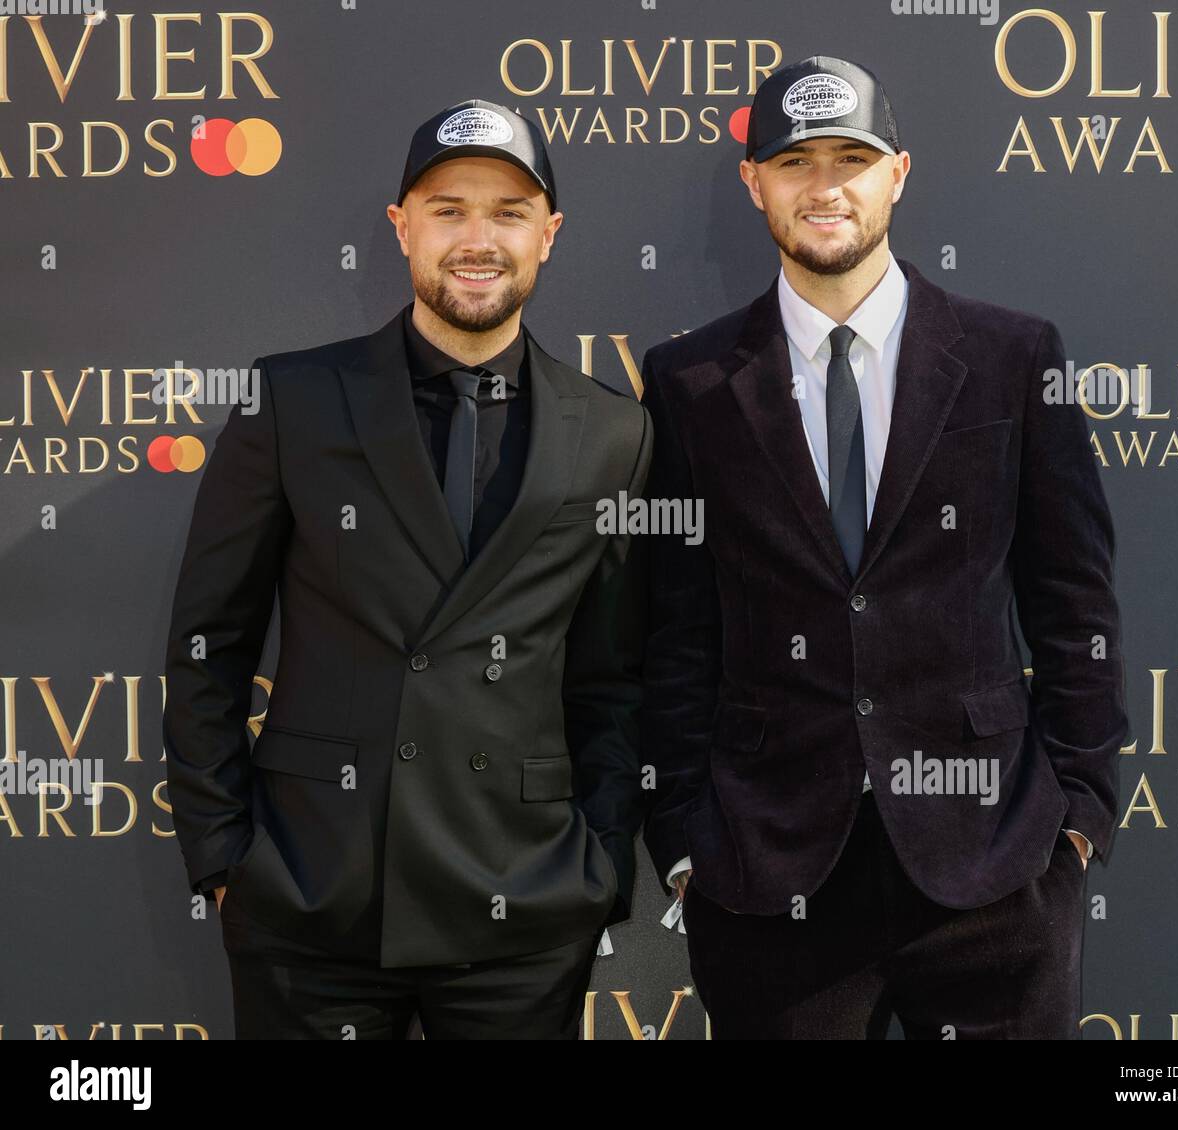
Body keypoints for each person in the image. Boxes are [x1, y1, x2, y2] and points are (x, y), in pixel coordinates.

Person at [639, 57, 1127, 1039]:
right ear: (754, 183)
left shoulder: (1010, 355)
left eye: (851, 158)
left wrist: (1076, 818)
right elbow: (671, 628)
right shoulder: (689, 380)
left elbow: (1074, 603)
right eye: (794, 160)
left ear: (897, 173)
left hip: (993, 864)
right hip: (771, 879)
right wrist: (687, 842)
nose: (825, 185)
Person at [163, 99, 651, 1039]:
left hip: (524, 910)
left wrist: (601, 862)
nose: (479, 238)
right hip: (314, 900)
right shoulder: (294, 401)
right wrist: (226, 859)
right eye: (448, 208)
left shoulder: (615, 434)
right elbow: (207, 646)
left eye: (509, 212)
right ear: (401, 227)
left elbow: (611, 679)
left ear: (549, 235)